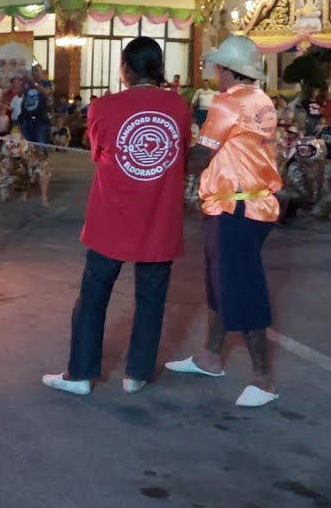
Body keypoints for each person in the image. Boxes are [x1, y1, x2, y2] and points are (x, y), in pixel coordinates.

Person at [43, 38, 191, 397]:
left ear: (125, 70)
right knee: (151, 300)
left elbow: (99, 153)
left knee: (93, 297)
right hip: (159, 219)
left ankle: (80, 374)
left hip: (112, 219)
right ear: (157, 67)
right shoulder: (179, 107)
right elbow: (180, 155)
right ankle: (136, 375)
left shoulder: (103, 107)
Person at [167, 35, 282, 408]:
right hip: (249, 205)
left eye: (217, 66)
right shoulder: (261, 101)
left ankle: (263, 381)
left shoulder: (228, 105)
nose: (214, 73)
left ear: (227, 69)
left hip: (236, 208)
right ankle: (211, 357)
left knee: (241, 290)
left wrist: (163, 161)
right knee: (222, 285)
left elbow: (199, 157)